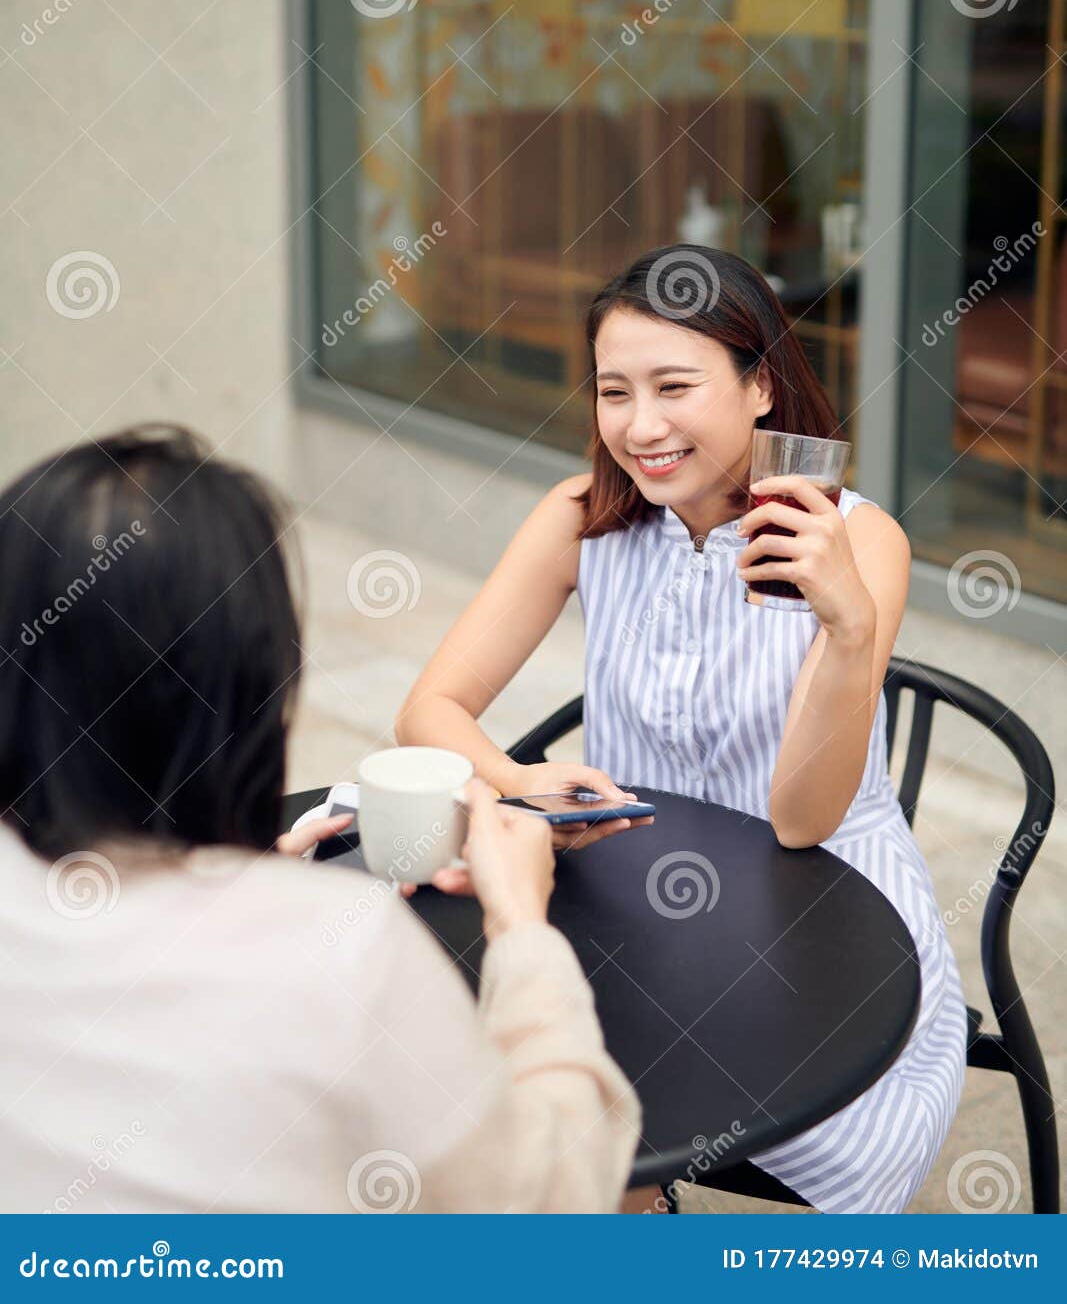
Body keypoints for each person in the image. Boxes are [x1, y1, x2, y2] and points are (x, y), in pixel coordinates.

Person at [399, 245, 968, 1213]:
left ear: (757, 386)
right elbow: (428, 710)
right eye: (613, 392)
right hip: (635, 908)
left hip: (824, 922)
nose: (640, 426)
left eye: (674, 386)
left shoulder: (856, 539)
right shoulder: (580, 520)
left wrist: (846, 624)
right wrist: (518, 781)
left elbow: (799, 817)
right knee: (512, 1084)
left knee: (790, 1129)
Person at [0, 427, 638, 1214]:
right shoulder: (346, 953)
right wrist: (520, 925)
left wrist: (253, 871)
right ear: (254, 677)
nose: (640, 425)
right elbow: (542, 1205)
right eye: (614, 389)